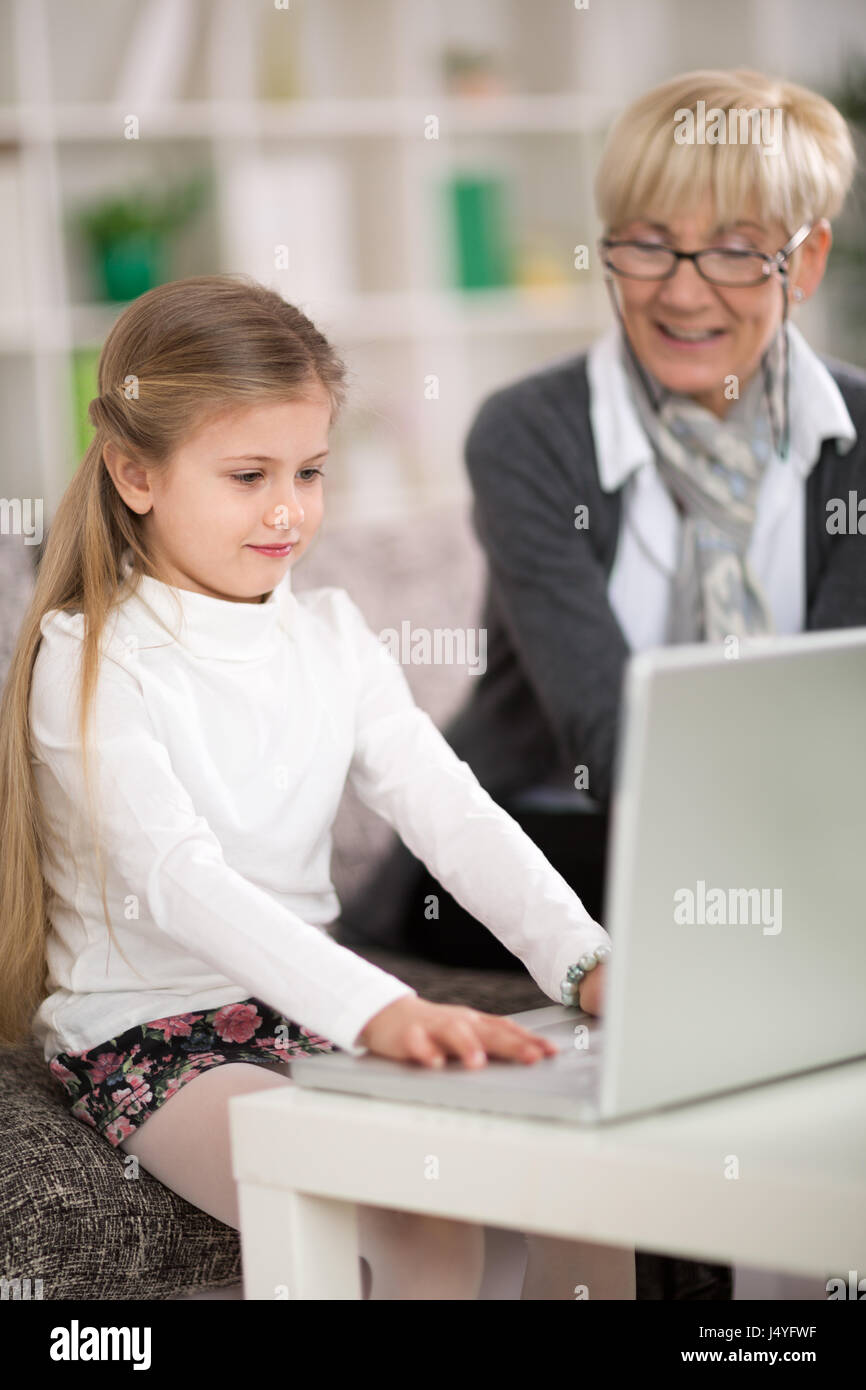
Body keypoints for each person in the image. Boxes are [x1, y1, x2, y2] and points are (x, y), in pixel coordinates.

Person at [336, 67, 866, 1300]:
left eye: (735, 252)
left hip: (776, 858)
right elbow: (609, 737)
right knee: (710, 944)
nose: (679, 293)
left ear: (805, 260)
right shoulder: (528, 434)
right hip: (528, 856)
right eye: (646, 245)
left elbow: (834, 725)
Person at [0, 273, 633, 1300]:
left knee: (571, 1179)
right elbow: (176, 877)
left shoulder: (332, 635)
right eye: (248, 474)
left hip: (303, 1008)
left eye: (309, 470)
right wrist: (378, 1008)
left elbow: (452, 811)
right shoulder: (89, 660)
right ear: (134, 471)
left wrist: (580, 960)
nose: (288, 510)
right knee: (416, 1223)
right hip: (155, 1040)